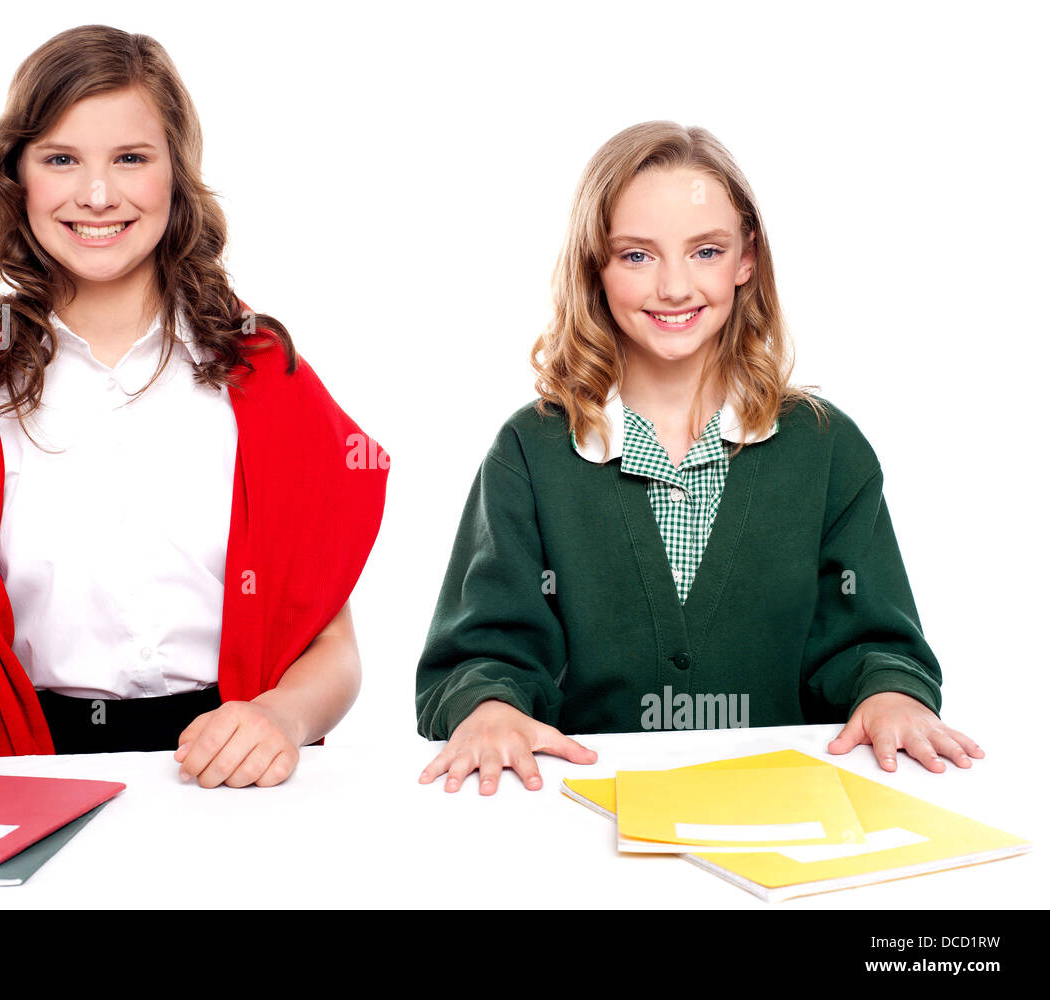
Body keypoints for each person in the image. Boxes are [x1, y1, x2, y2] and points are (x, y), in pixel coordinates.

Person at [0, 25, 388, 797]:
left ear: (175, 175)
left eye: (130, 158)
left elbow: (333, 647)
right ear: (18, 176)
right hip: (33, 770)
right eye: (61, 159)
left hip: (235, 771)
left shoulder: (265, 378)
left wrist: (281, 718)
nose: (96, 195)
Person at [415, 121, 980, 795]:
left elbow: (872, 641)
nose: (675, 287)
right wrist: (489, 708)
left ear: (746, 258)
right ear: (595, 265)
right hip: (576, 813)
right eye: (636, 256)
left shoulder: (827, 448)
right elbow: (485, 650)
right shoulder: (530, 452)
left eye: (706, 251)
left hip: (781, 810)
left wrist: (890, 694)